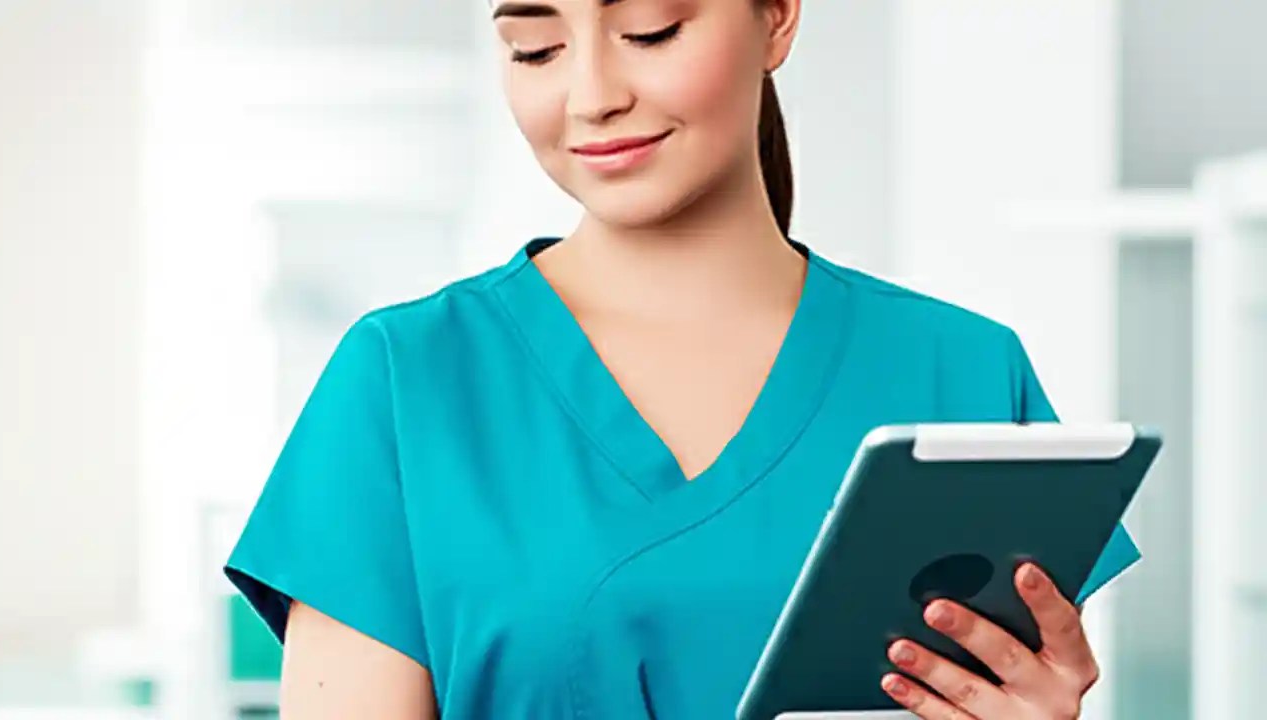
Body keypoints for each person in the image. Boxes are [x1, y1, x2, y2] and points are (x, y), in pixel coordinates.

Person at [224, 0, 1140, 717]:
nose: (590, 95)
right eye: (536, 49)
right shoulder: (406, 379)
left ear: (776, 15)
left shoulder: (963, 374)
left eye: (649, 31)